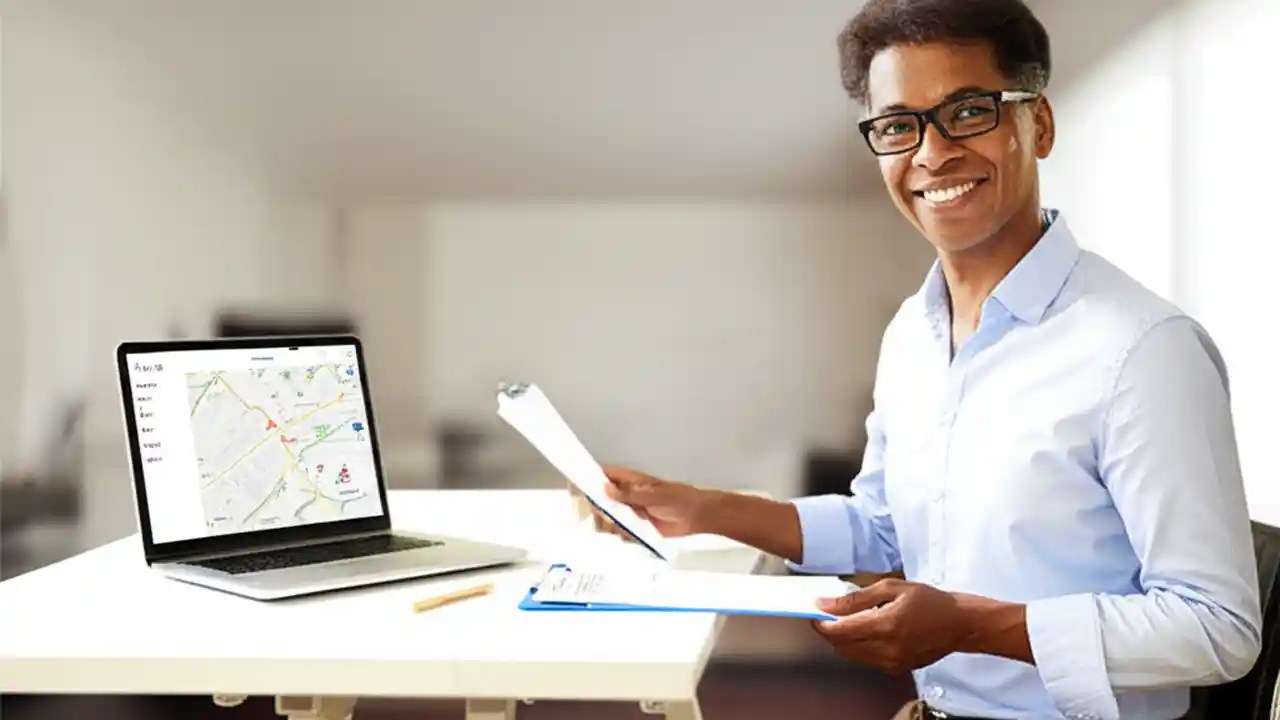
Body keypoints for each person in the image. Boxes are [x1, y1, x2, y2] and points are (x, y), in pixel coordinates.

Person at [598, 0, 1262, 718]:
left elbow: (1218, 629)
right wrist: (701, 508)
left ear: (1036, 124)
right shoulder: (913, 334)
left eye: (968, 112)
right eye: (897, 125)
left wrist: (972, 626)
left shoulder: (1141, 350)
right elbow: (886, 528)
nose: (931, 152)